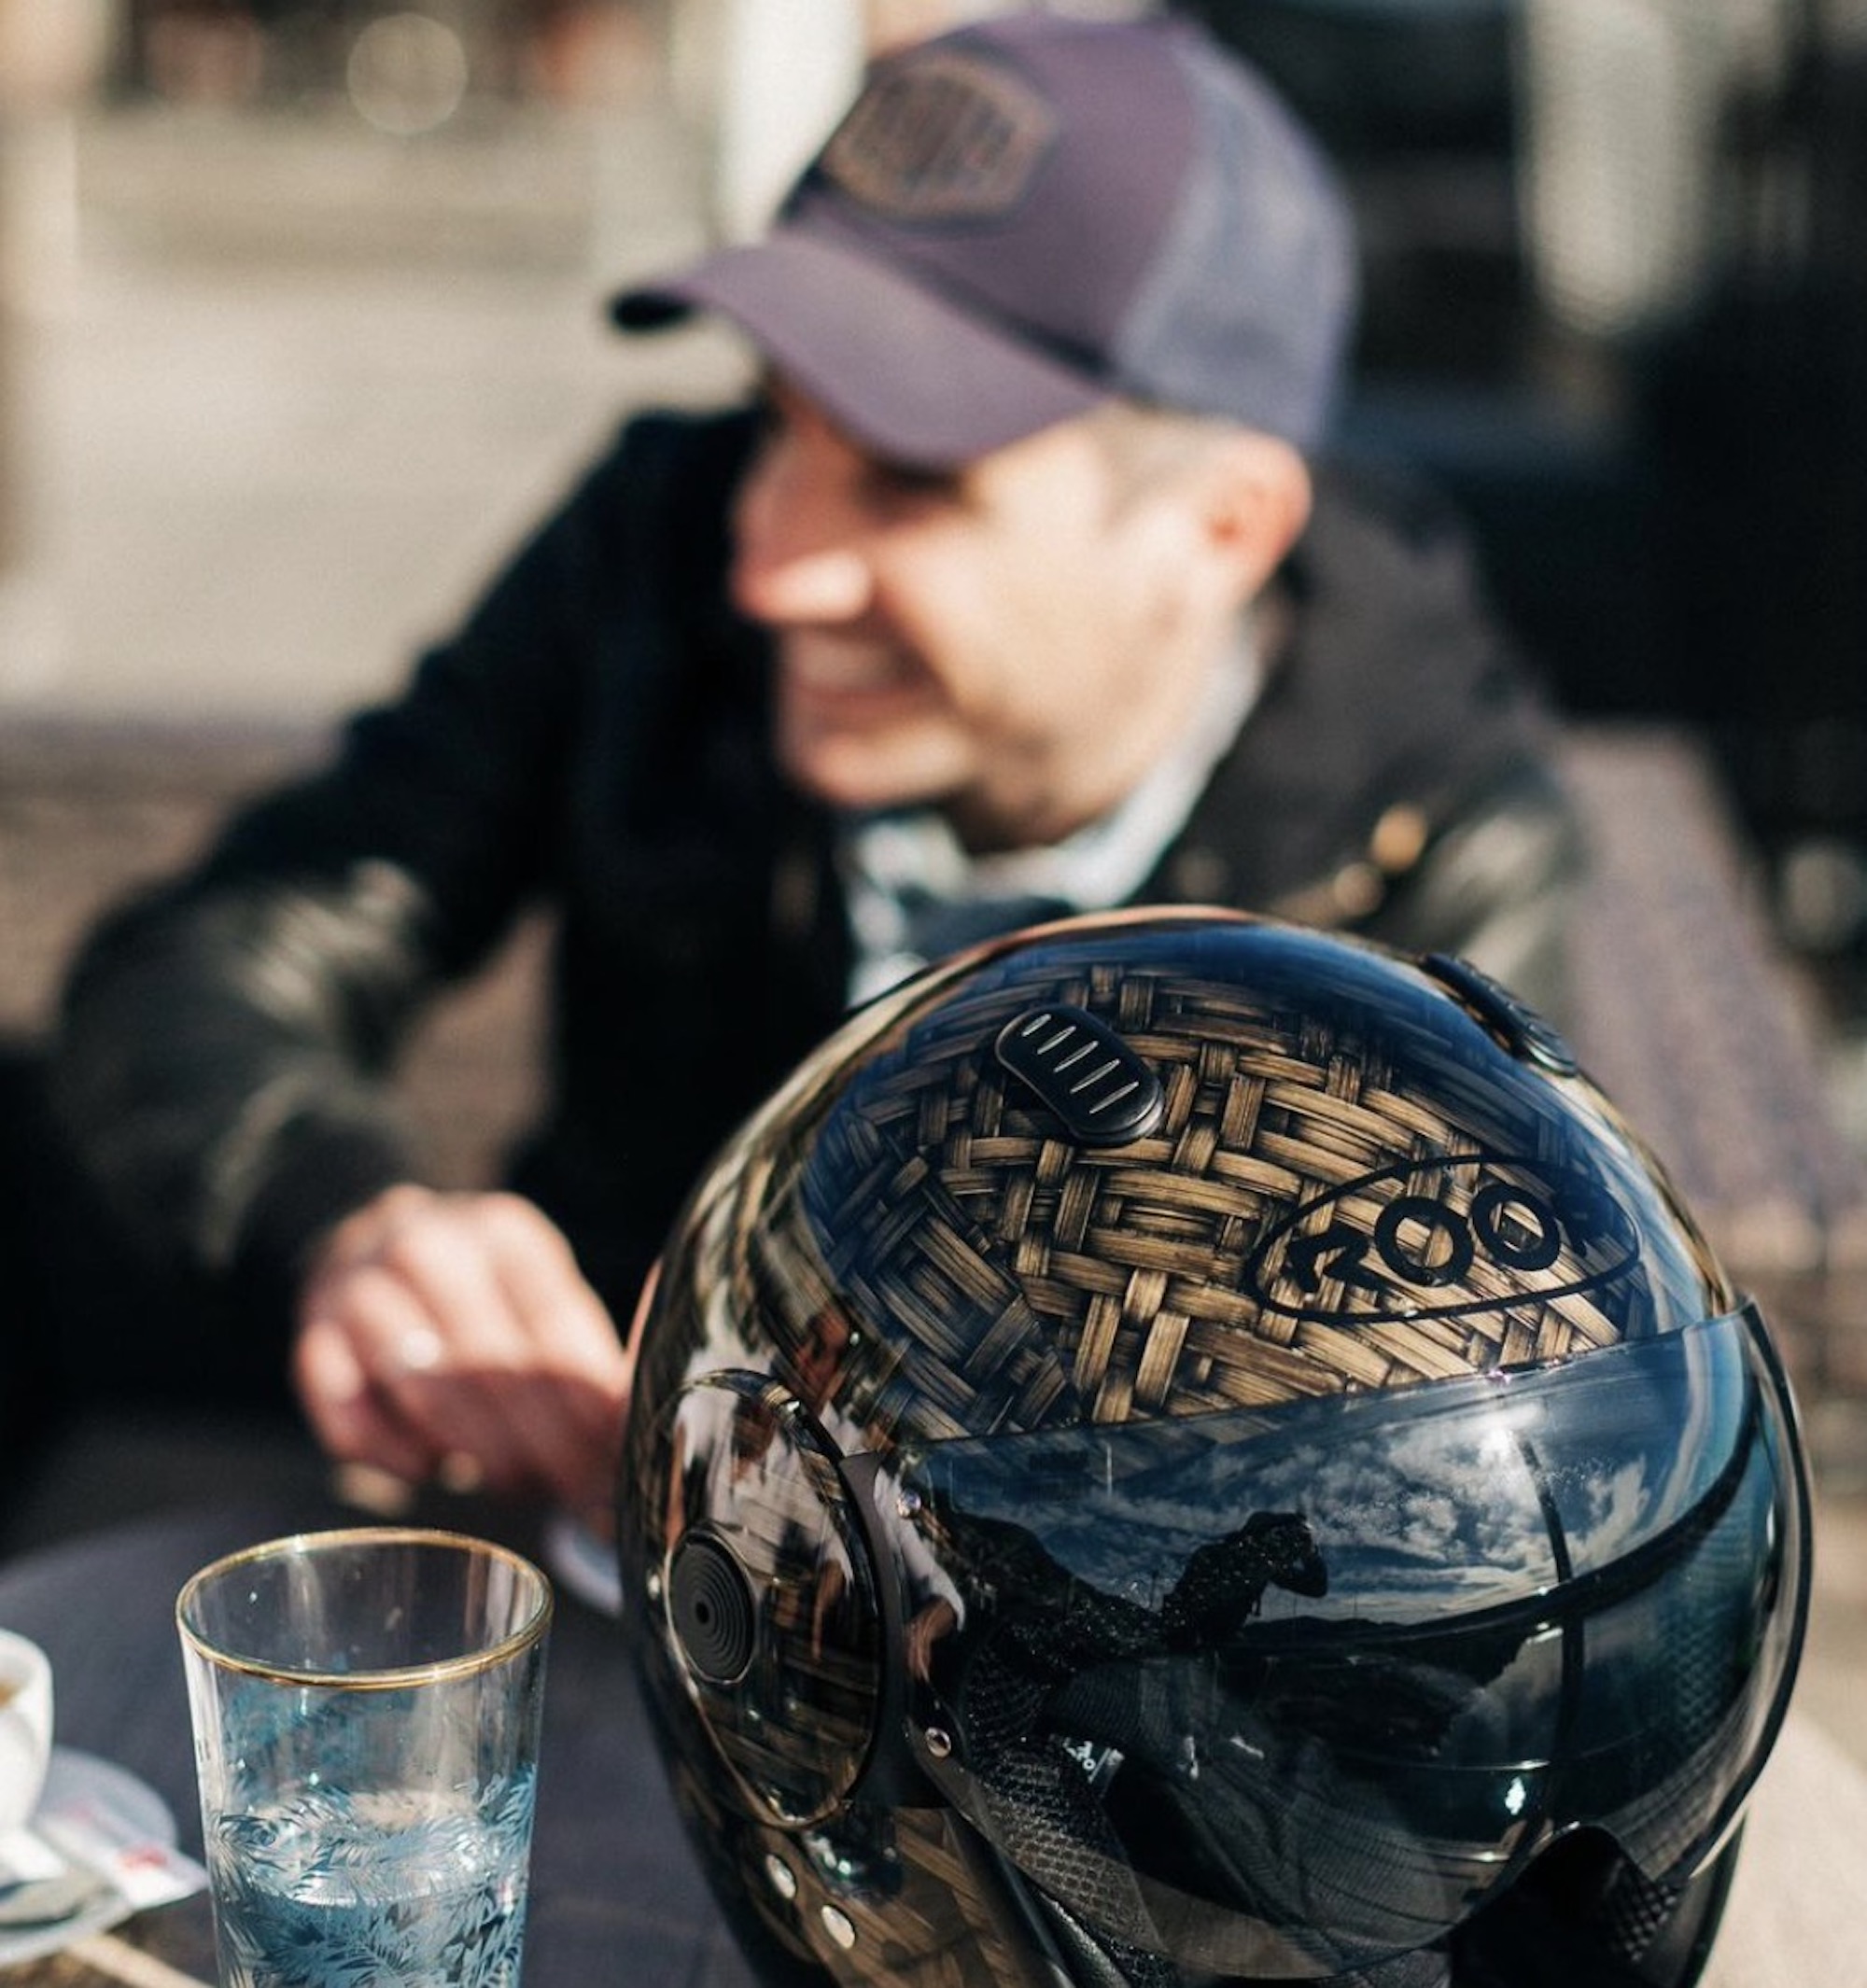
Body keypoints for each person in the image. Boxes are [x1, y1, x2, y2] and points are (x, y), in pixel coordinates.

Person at [49, 12, 1582, 1520]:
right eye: (776, 421)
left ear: (1218, 530)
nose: (774, 563)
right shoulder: (658, 547)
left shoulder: (1429, 840)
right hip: (595, 1531)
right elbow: (218, 953)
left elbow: (1425, 1447)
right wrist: (349, 1216)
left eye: (909, 480)